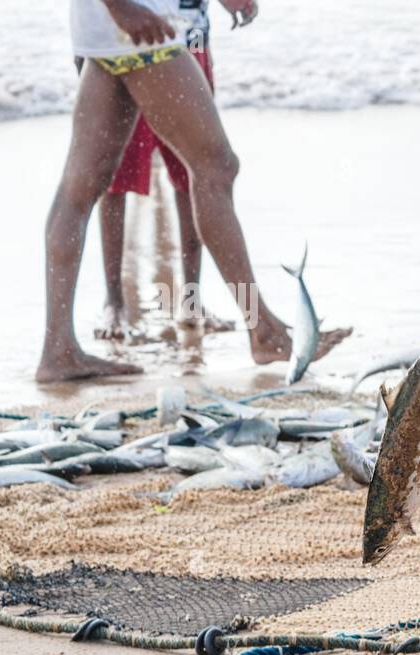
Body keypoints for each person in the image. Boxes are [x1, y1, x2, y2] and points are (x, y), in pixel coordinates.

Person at [39, 0, 349, 382]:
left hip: (112, 32)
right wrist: (121, 7)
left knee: (80, 187)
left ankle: (57, 350)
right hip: (137, 30)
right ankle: (263, 330)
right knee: (216, 167)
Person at [93, 0, 227, 337]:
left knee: (195, 173)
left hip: (191, 39)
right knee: (116, 178)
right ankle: (114, 302)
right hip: (128, 42)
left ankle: (192, 301)